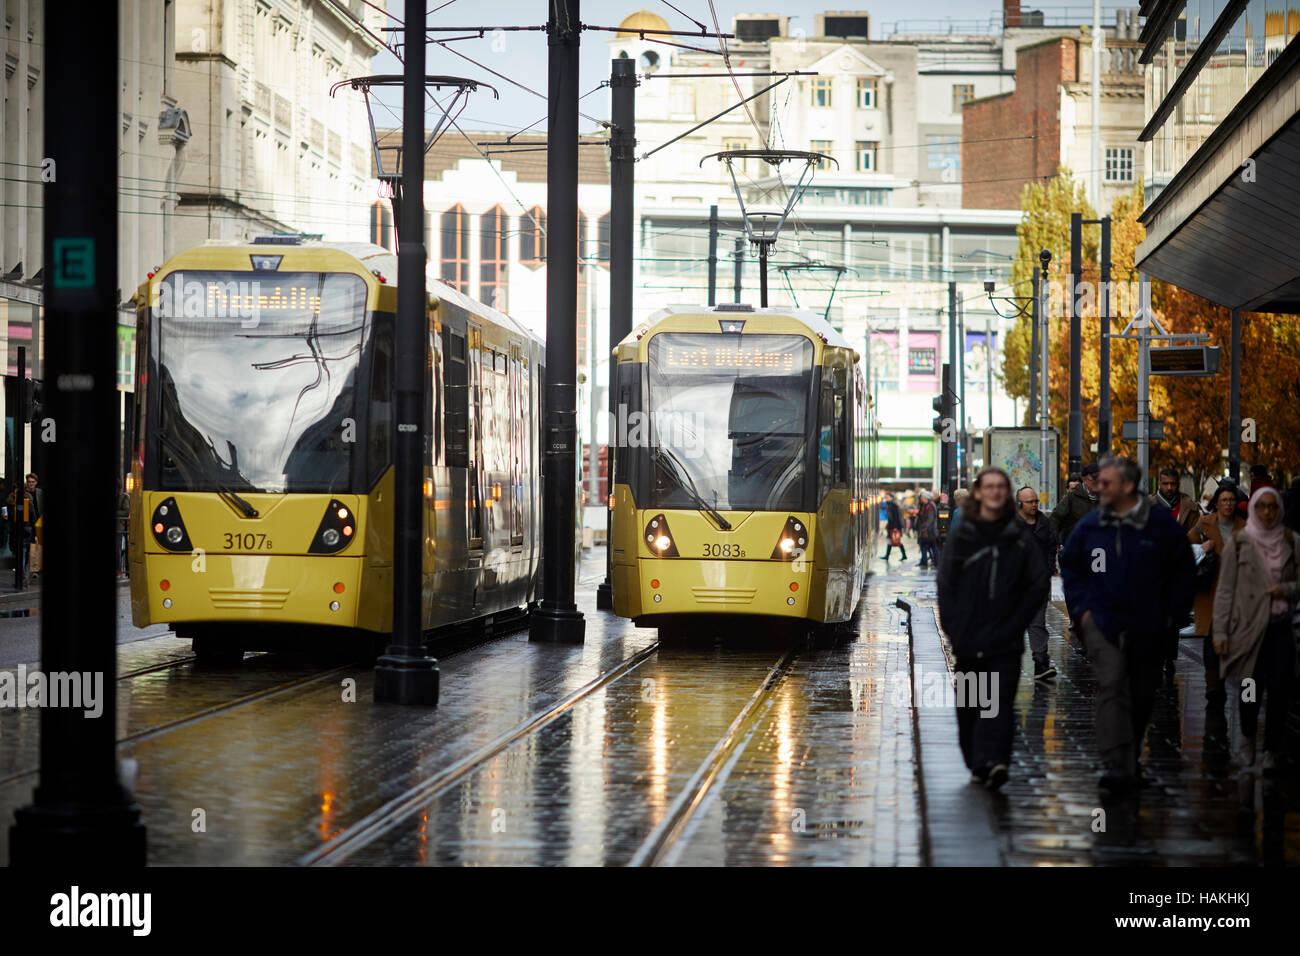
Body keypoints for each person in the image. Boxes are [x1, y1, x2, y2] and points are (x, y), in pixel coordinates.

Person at [1060, 457, 1196, 794]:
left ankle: (1130, 759)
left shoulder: (1159, 525)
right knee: (1112, 687)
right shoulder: (1092, 526)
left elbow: (1184, 571)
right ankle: (1115, 766)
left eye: (1107, 483)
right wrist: (1083, 613)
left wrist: (1172, 616)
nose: (1099, 488)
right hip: (1103, 625)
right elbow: (1072, 568)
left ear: (1128, 486)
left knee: (1141, 695)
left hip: (1150, 628)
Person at [938, 467, 1048, 791]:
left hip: (1005, 638)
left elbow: (1037, 580)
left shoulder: (1017, 533)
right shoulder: (963, 532)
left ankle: (997, 761)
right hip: (968, 637)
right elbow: (946, 582)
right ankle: (976, 760)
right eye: (989, 487)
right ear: (979, 492)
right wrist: (953, 627)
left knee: (998, 703)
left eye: (1001, 486)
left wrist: (1017, 621)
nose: (996, 492)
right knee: (971, 705)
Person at [1213, 486, 1299, 775]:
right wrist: (1221, 633)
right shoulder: (1239, 542)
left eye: (1272, 507)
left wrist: (1285, 589)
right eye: (1260, 507)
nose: (1266, 513)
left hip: (1279, 629)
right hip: (1248, 629)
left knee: (1279, 691)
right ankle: (1248, 738)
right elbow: (1225, 591)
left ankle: (1271, 750)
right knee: (1250, 688)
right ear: (1252, 509)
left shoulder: (1290, 541)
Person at [1189, 485, 1245, 730]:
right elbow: (1184, 547)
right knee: (1211, 639)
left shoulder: (1244, 527)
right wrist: (1202, 548)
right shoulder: (1204, 523)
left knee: (1237, 642)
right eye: (1224, 500)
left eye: (1232, 500)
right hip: (1210, 591)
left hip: (1237, 591)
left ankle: (1244, 692)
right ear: (1216, 503)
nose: (1228, 504)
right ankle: (1214, 688)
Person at [1016, 484, 1058, 680]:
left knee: (1037, 623)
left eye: (1035, 501)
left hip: (1038, 583)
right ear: (1019, 503)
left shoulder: (1044, 522)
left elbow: (1051, 546)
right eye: (1029, 502)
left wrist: (1048, 568)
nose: (1034, 505)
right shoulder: (1011, 524)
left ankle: (1041, 663)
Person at [1051, 461, 1100, 550]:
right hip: (1075, 547)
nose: (1097, 482)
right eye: (1093, 479)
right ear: (1085, 480)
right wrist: (1055, 542)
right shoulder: (1072, 497)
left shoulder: (1107, 497)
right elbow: (1055, 518)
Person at [916, 491, 940, 569]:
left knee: (932, 546)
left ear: (926, 498)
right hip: (927, 531)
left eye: (922, 497)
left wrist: (924, 528)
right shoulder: (925, 505)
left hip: (929, 531)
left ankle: (931, 562)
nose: (921, 499)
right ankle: (925, 561)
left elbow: (930, 519)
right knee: (928, 546)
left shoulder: (930, 506)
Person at [881, 493, 908, 561]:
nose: (886, 499)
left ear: (891, 498)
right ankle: (887, 556)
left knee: (897, 541)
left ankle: (904, 555)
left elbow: (896, 517)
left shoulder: (893, 505)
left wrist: (895, 527)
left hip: (894, 526)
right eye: (885, 497)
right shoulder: (890, 505)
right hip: (892, 526)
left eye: (887, 497)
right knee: (891, 541)